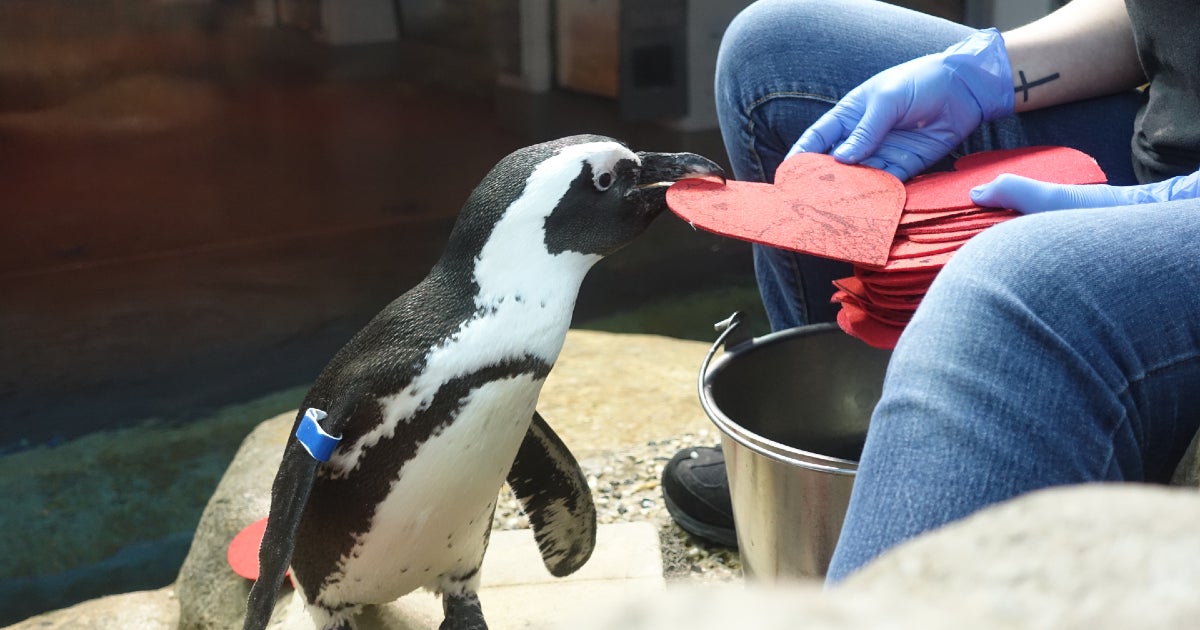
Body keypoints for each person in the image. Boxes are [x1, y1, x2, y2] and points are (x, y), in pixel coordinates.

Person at [661, 0, 1200, 582]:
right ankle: (848, 467)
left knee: (1021, 288)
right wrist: (985, 74)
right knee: (775, 52)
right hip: (1166, 145)